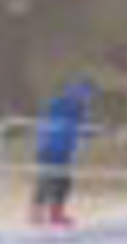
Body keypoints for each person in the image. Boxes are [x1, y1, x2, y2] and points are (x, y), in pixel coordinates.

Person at [29, 76, 97, 229]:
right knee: (46, 180)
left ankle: (55, 214)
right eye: (87, 95)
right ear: (80, 93)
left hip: (63, 150)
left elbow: (83, 130)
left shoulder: (77, 107)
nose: (89, 99)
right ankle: (37, 213)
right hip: (50, 148)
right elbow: (65, 123)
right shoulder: (64, 104)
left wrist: (96, 130)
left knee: (63, 182)